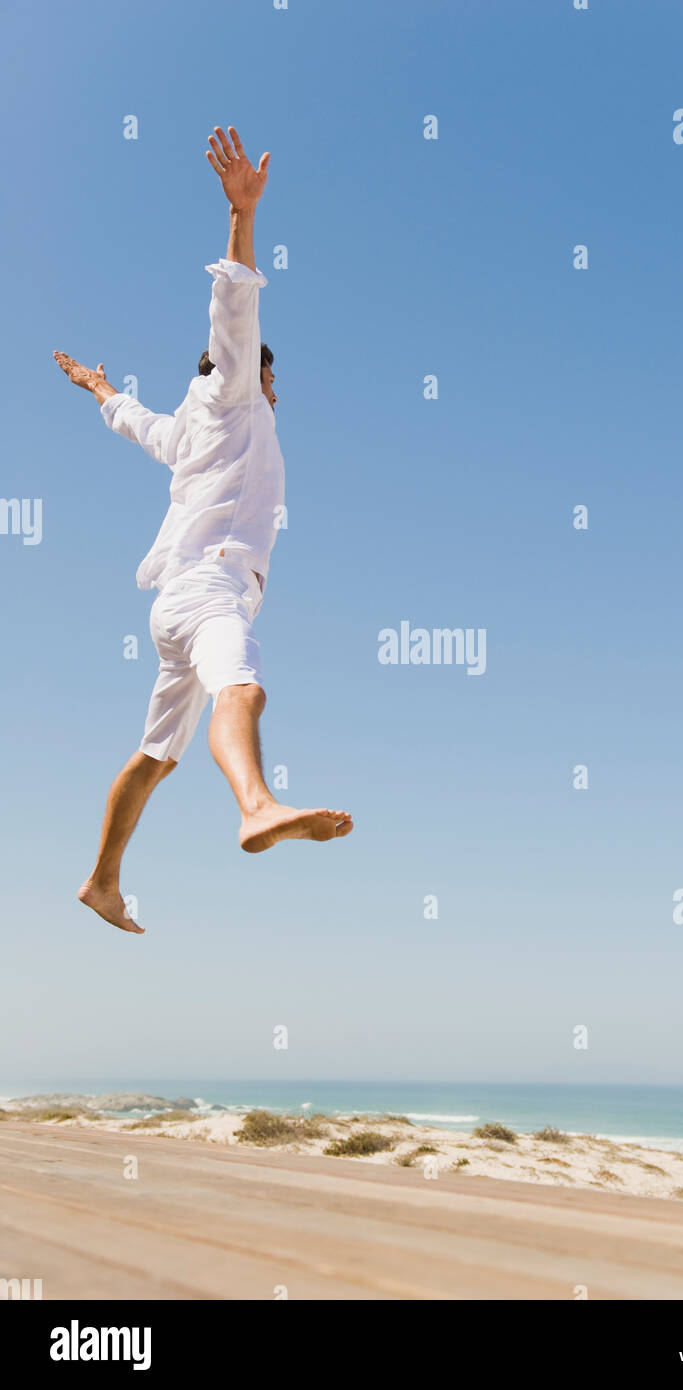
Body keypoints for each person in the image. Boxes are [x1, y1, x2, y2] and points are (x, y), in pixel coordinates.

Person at [53, 126, 353, 936]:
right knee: (243, 689)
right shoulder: (232, 392)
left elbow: (129, 419)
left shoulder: (186, 430)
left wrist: (95, 383)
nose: (274, 385)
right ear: (249, 368)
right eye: (269, 371)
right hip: (215, 585)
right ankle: (255, 807)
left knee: (155, 755)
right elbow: (234, 300)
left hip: (173, 603)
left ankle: (103, 880)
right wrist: (241, 216)